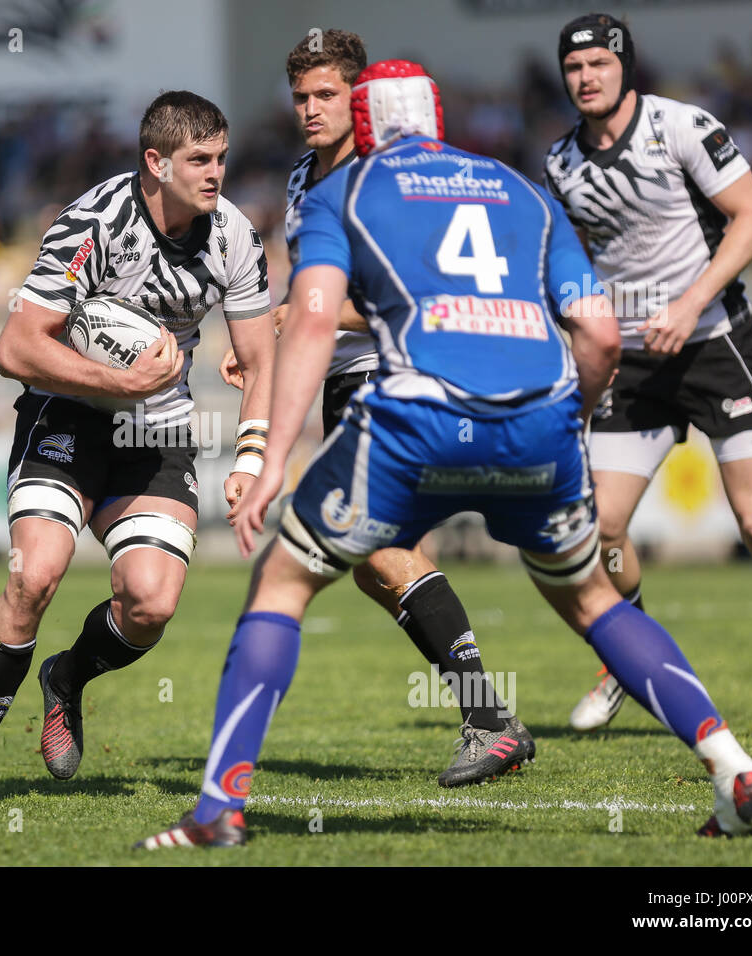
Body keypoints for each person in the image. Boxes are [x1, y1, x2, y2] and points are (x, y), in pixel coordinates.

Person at [135, 60, 752, 849]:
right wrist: (567, 417)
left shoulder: (344, 192)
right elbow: (602, 333)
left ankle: (217, 811)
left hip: (418, 421)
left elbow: (307, 324)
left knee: (283, 581)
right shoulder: (523, 193)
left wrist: (269, 453)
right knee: (593, 603)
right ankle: (734, 767)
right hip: (538, 424)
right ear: (439, 116)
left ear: (364, 126)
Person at [0, 90, 275, 809]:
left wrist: (250, 454)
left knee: (149, 604)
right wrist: (118, 378)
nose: (216, 174)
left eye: (222, 159)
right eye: (199, 160)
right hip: (69, 415)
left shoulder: (235, 233)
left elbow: (259, 355)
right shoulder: (93, 222)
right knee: (35, 578)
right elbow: (14, 347)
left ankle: (68, 678)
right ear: (156, 161)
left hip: (158, 428)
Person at [219, 29, 533, 786]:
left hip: (397, 374)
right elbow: (306, 289)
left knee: (375, 548)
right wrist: (274, 339)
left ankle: (490, 720)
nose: (308, 110)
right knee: (370, 562)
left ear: (359, 99)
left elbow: (420, 296)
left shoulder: (388, 173)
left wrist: (304, 317)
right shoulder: (302, 177)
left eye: (325, 94)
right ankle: (491, 716)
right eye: (299, 97)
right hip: (344, 380)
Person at [542, 14, 752, 742]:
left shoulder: (682, 126)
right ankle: (626, 659)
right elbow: (575, 263)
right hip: (630, 363)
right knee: (596, 528)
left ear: (625, 67)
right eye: (574, 69)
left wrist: (689, 302)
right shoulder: (561, 162)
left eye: (599, 63)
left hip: (713, 344)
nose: (586, 78)